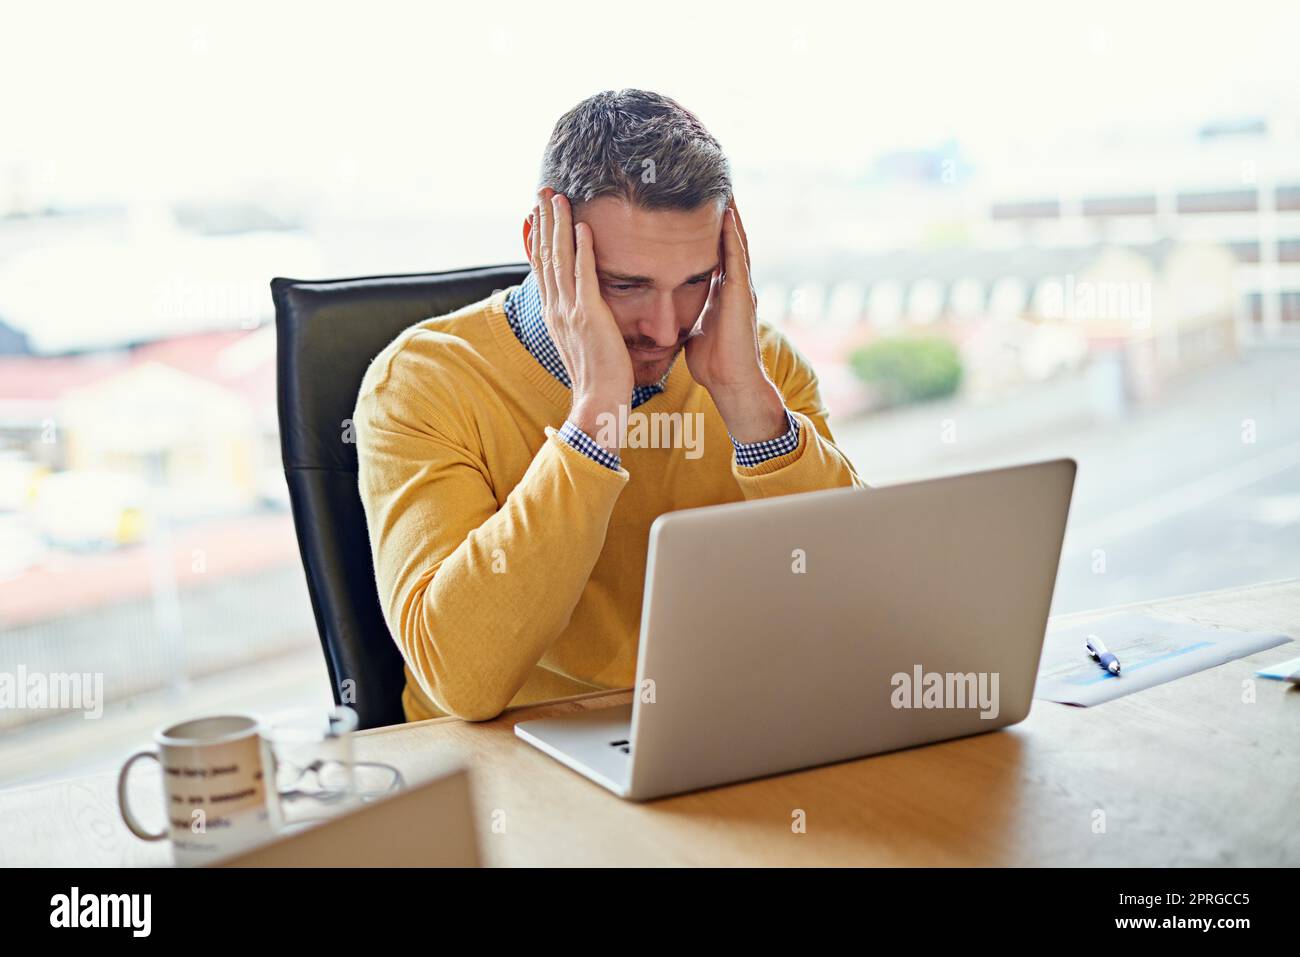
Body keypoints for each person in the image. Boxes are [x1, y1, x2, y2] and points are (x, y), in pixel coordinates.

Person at [355, 89, 865, 722]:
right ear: (542, 245)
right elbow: (462, 680)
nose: (664, 327)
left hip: (718, 727)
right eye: (627, 285)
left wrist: (748, 408)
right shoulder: (419, 384)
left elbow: (858, 607)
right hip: (516, 760)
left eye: (695, 282)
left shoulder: (754, 365)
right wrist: (597, 416)